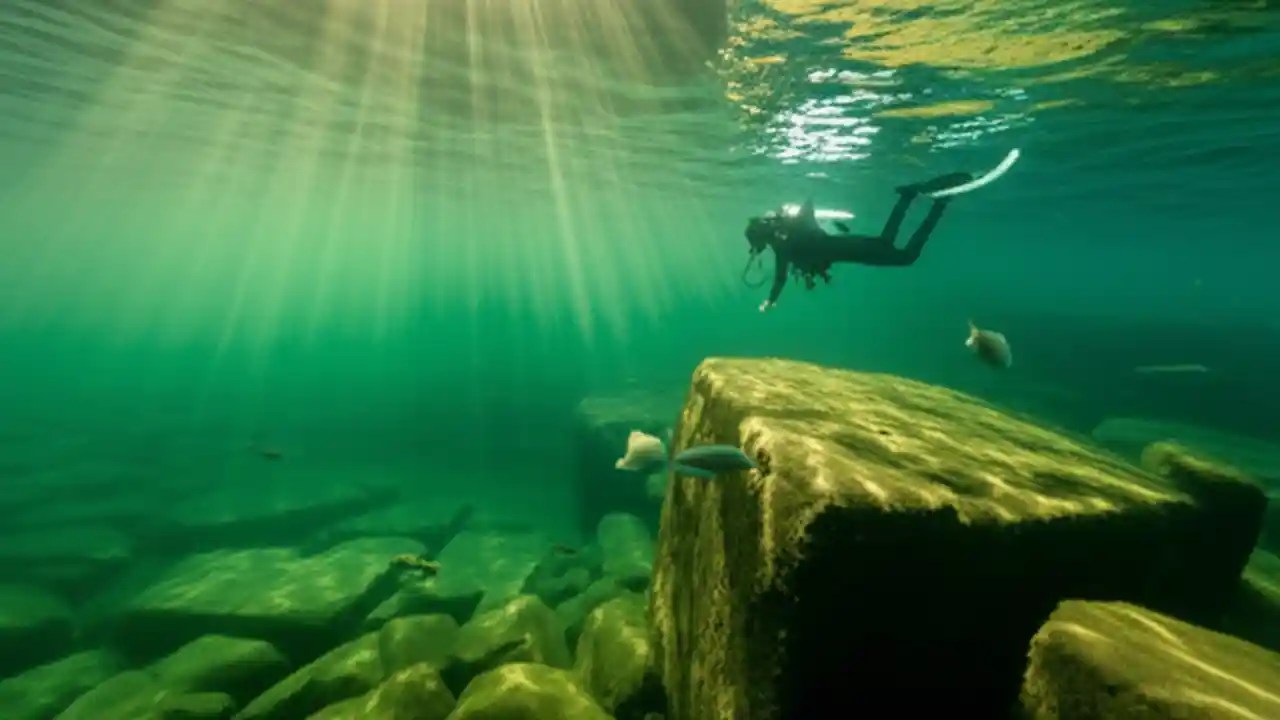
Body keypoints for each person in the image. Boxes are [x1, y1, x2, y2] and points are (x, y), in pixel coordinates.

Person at [745, 172, 973, 311]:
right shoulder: (784, 237)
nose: (757, 249)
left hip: (853, 251)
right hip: (850, 246)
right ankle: (907, 197)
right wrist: (772, 299)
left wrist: (771, 301)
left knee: (907, 257)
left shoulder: (783, 244)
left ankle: (938, 204)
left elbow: (781, 277)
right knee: (887, 241)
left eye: (755, 244)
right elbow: (782, 274)